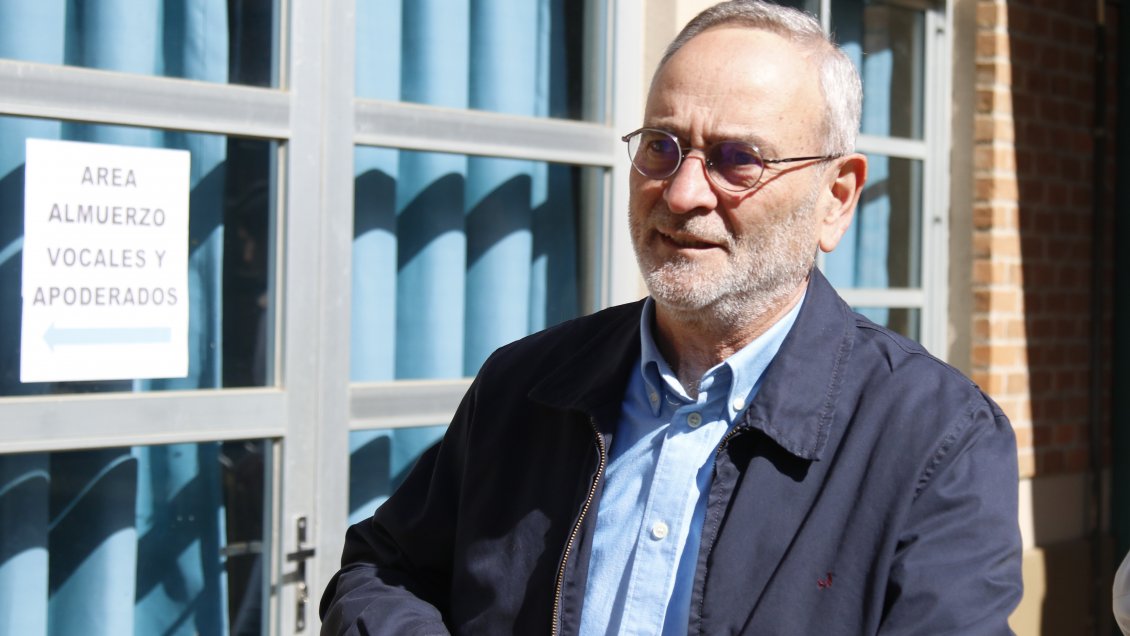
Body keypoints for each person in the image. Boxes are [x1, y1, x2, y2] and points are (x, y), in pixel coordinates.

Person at [320, 1, 1023, 634]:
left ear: (836, 198)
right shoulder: (525, 386)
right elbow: (382, 572)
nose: (683, 193)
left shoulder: (934, 440)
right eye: (662, 146)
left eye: (738, 160)